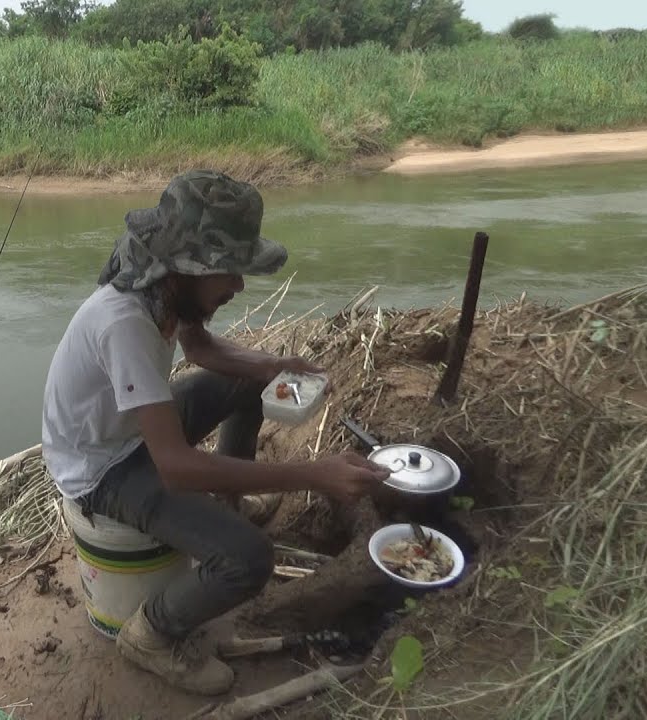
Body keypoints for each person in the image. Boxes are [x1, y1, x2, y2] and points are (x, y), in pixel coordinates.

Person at [40, 170, 391, 696]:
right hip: (102, 467)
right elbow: (176, 467)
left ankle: (229, 507)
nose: (239, 286)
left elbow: (200, 350)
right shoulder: (126, 323)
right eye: (228, 272)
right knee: (249, 560)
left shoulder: (163, 287)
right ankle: (150, 635)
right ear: (187, 268)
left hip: (129, 432)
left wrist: (272, 364)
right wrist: (315, 475)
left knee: (246, 385)